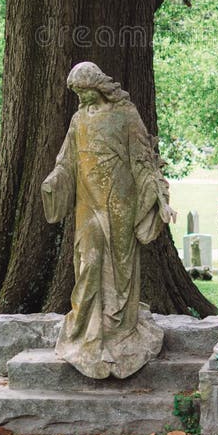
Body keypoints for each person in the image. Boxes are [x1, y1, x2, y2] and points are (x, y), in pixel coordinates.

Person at [41, 61, 175, 379]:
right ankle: (87, 330)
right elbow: (67, 160)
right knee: (87, 262)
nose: (80, 98)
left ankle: (120, 328)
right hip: (88, 204)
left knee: (122, 267)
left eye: (83, 91)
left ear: (97, 86)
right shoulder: (77, 120)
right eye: (77, 93)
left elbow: (143, 159)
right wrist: (55, 179)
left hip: (120, 202)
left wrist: (161, 198)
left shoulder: (126, 115)